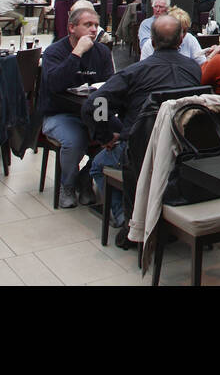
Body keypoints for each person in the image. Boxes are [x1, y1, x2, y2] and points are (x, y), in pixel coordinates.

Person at [84, 13, 203, 228]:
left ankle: (125, 217)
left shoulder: (134, 73)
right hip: (183, 151)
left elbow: (95, 104)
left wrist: (104, 136)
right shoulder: (193, 69)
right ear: (181, 41)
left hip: (141, 153)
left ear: (153, 42)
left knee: (97, 165)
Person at [39, 5, 114, 208]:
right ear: (72, 28)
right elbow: (54, 84)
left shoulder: (102, 53)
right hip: (59, 112)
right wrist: (78, 52)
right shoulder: (55, 52)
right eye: (87, 25)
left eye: (96, 25)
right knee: (75, 140)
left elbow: (110, 86)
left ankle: (86, 176)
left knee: (115, 137)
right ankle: (68, 185)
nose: (93, 30)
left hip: (92, 112)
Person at [139, 6, 205, 64]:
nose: (181, 35)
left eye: (184, 31)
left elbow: (201, 62)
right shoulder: (149, 45)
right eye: (178, 32)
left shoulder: (190, 39)